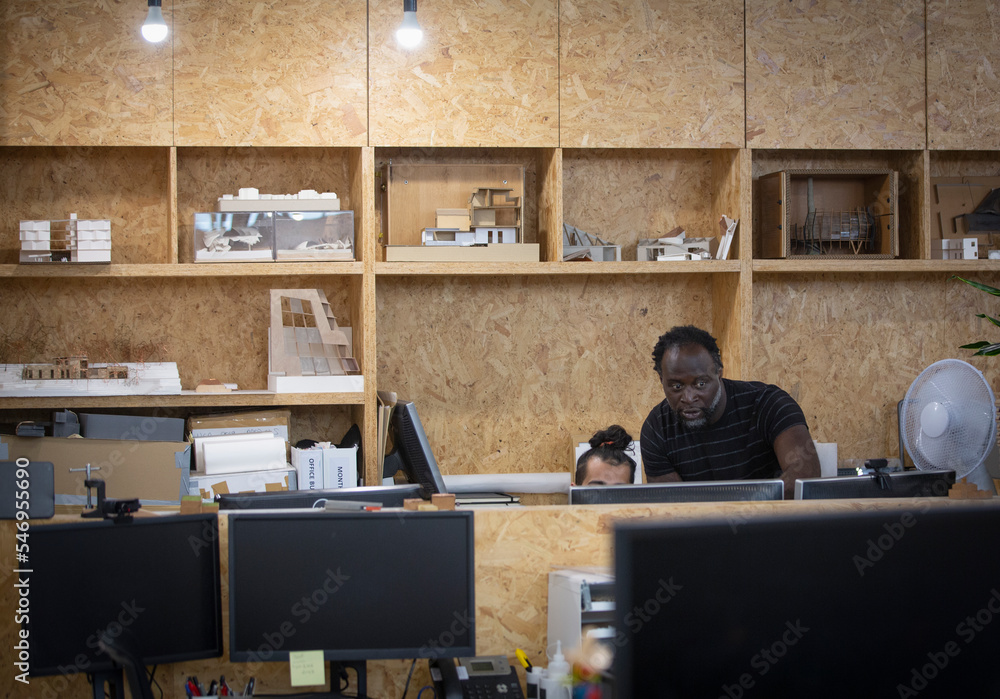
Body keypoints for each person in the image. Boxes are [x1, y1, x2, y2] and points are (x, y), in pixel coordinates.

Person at [640, 325, 819, 498]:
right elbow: (671, 503)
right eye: (676, 386)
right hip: (699, 520)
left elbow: (804, 478)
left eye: (701, 383)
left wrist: (744, 512)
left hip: (770, 517)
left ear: (719, 373)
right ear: (661, 380)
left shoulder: (768, 404)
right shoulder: (656, 429)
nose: (688, 397)